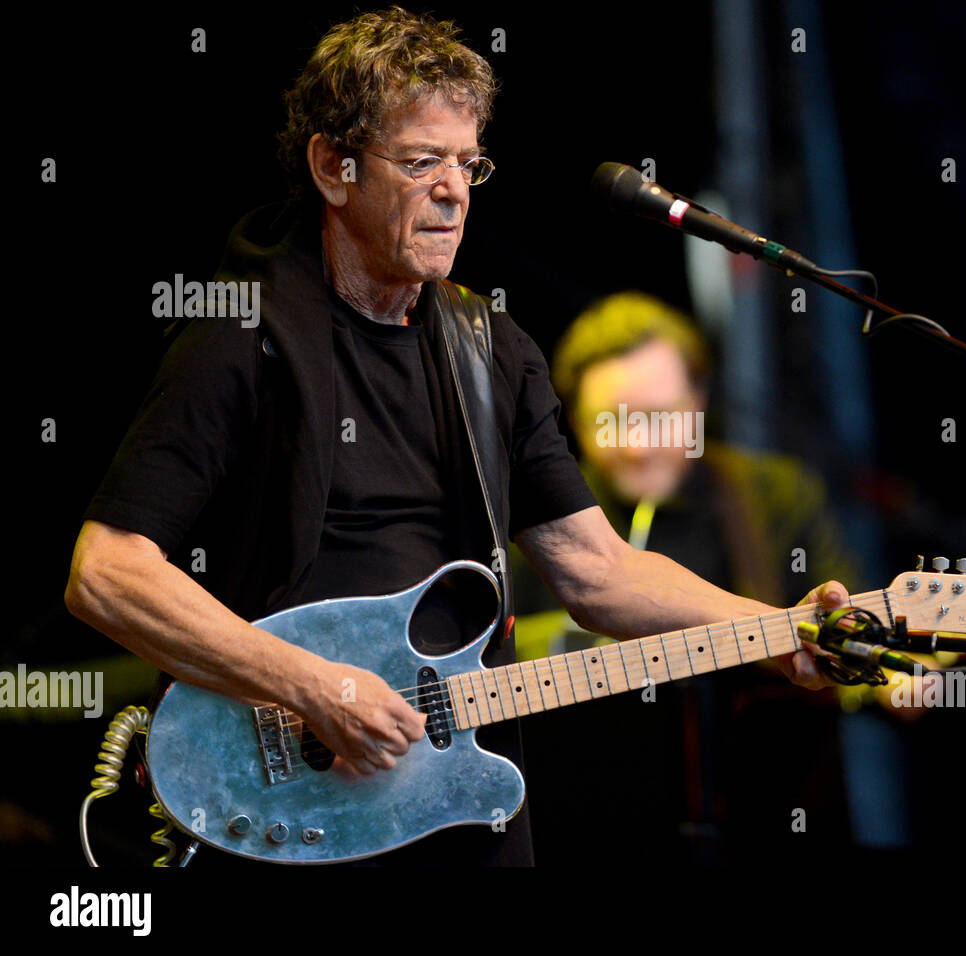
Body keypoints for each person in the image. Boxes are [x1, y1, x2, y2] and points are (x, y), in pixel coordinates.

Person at [61, 7, 843, 867]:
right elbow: (107, 574)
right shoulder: (239, 337)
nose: (455, 190)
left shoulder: (491, 351)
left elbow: (598, 571)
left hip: (455, 807)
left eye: (469, 163)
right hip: (281, 802)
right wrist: (316, 687)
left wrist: (780, 626)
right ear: (334, 166)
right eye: (421, 161)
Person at [511, 291, 865, 861]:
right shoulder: (537, 520)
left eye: (658, 417)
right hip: (584, 826)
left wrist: (892, 678)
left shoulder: (775, 496)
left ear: (698, 402)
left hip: (770, 819)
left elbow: (849, 632)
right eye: (610, 421)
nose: (637, 445)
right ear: (571, 421)